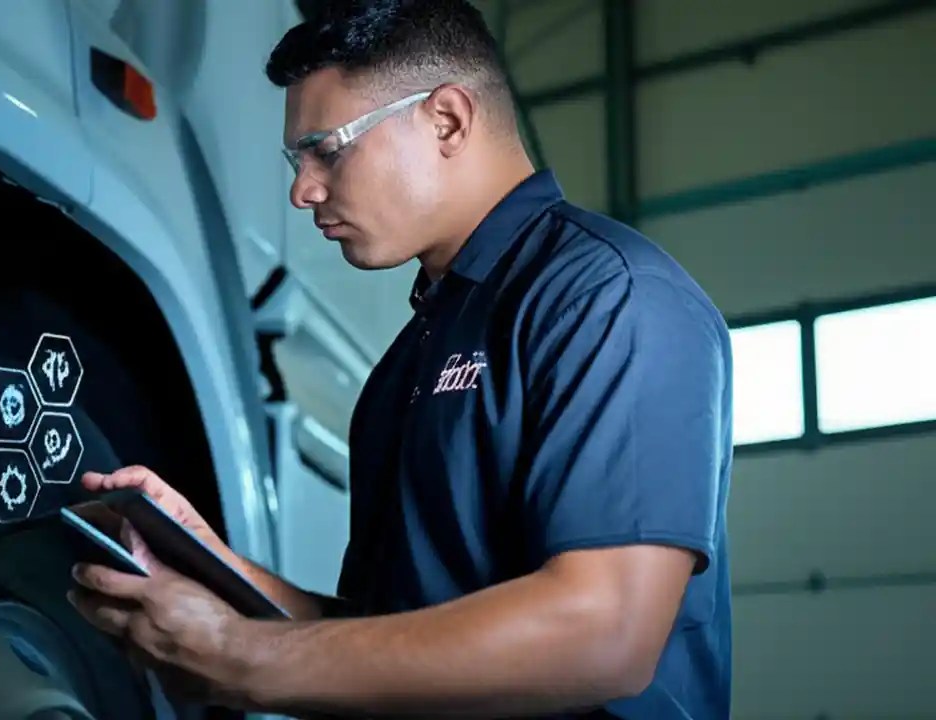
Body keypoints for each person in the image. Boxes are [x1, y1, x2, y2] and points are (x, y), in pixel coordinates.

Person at [66, 1, 733, 717]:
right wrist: (216, 567)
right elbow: (388, 638)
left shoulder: (608, 298)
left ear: (447, 119)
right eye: (297, 160)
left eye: (328, 147)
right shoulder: (411, 358)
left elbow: (606, 634)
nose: (303, 189)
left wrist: (240, 656)